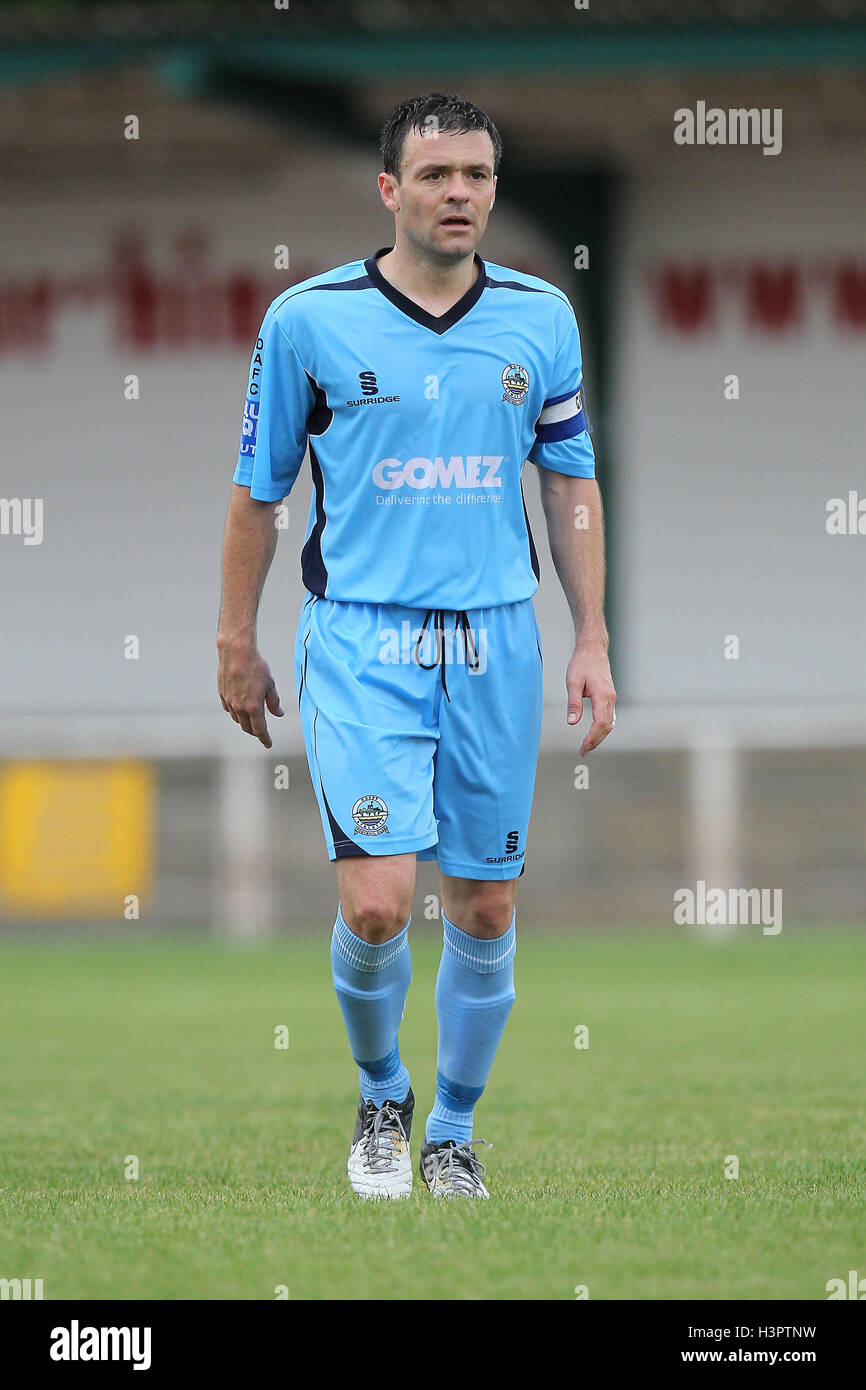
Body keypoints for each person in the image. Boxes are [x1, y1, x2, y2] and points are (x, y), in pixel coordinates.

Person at [217, 92, 616, 1200]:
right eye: (436, 175)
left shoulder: (540, 319)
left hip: (496, 642)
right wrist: (232, 640)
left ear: (493, 188)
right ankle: (381, 1095)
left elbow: (570, 484)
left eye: (477, 176)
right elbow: (259, 495)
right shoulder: (307, 320)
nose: (459, 195)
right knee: (378, 901)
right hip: (360, 643)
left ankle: (450, 1132)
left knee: (484, 907)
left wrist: (590, 636)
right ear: (389, 190)